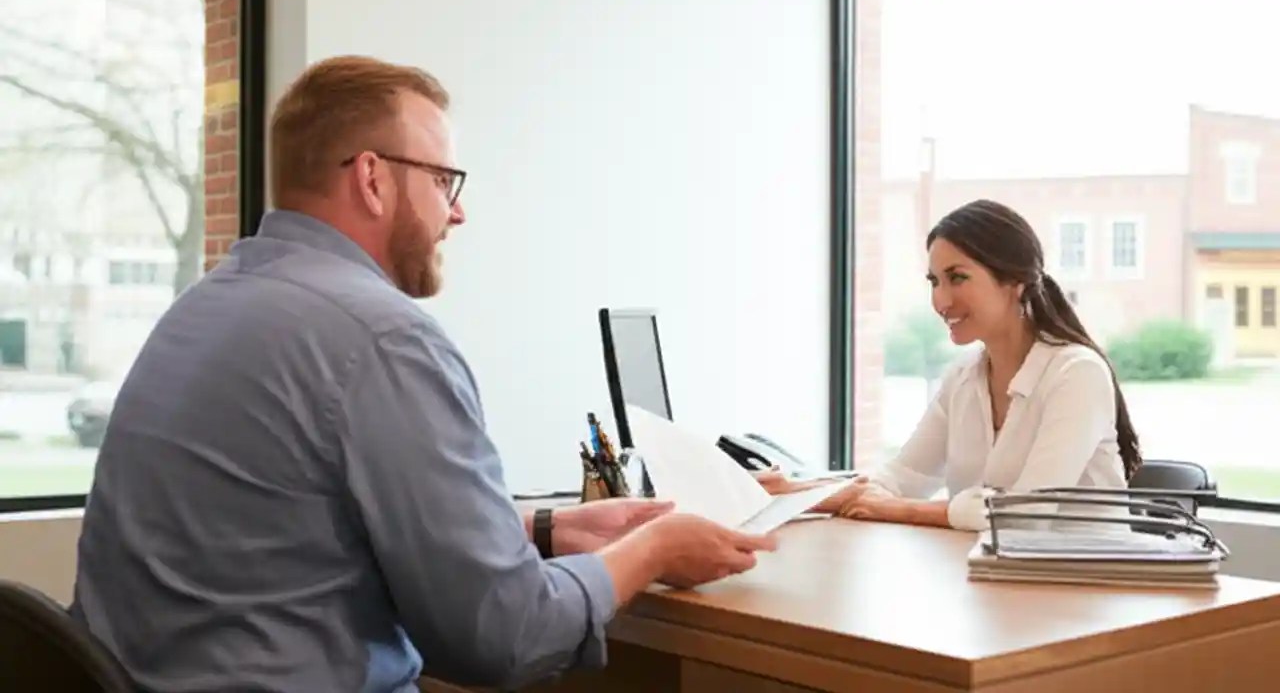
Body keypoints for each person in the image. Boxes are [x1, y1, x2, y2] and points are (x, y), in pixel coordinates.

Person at [70, 55, 776, 693]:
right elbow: (504, 639)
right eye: (444, 181)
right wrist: (653, 548)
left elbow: (293, 530)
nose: (458, 210)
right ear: (372, 178)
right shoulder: (382, 338)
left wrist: (543, 529)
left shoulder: (206, 306)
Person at [818, 199, 1141, 530]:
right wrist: (791, 495)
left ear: (1015, 282)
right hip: (992, 576)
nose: (940, 301)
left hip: (1085, 579)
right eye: (934, 282)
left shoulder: (1077, 374)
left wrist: (900, 511)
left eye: (957, 278)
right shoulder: (963, 375)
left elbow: (1026, 515)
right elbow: (901, 478)